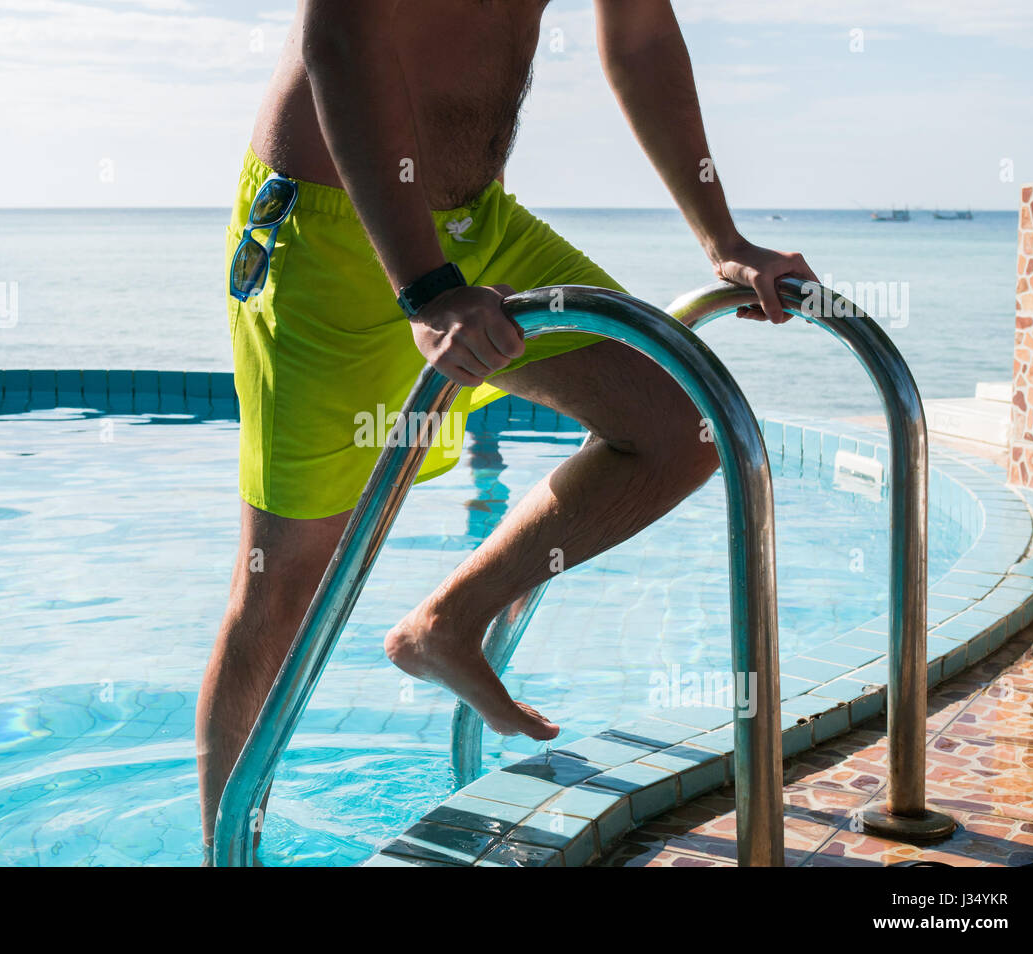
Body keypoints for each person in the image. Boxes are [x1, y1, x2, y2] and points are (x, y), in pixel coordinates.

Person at [197, 0, 818, 857]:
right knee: (283, 586)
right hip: (326, 226)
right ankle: (223, 857)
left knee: (683, 425)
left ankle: (447, 623)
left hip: (474, 227)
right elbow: (338, 34)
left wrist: (723, 239)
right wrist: (422, 287)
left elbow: (638, 39)